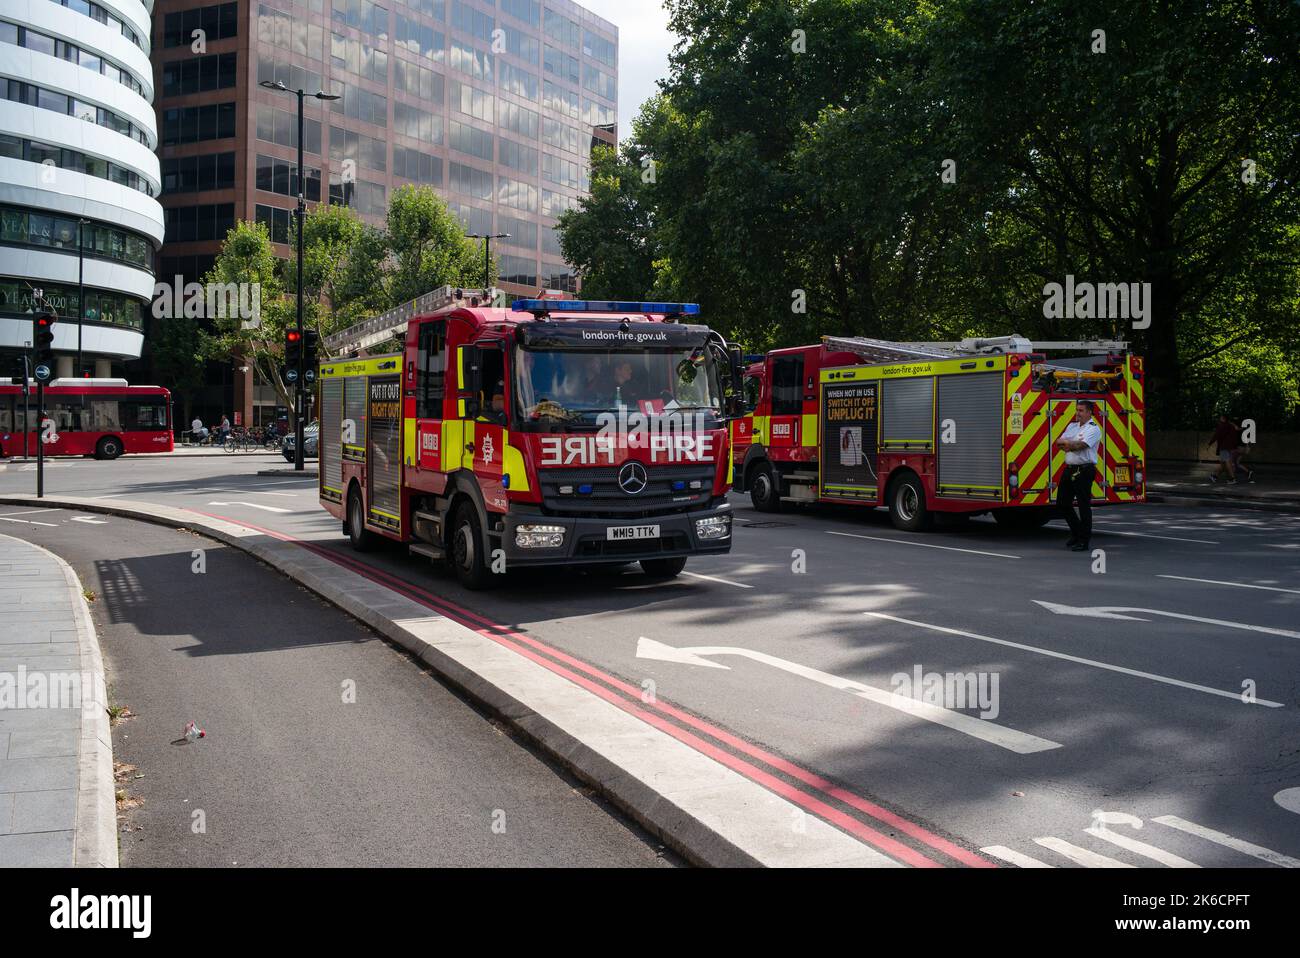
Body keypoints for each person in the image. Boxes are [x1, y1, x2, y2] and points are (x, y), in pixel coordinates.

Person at [1056, 400, 1102, 552]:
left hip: (1084, 470)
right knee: (1062, 503)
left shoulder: (1093, 429)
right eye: (1077, 410)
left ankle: (1084, 541)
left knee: (1083, 506)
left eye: (1081, 411)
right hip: (1069, 469)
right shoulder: (1072, 426)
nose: (1078, 413)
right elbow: (1059, 442)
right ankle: (1076, 533)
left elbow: (1081, 446)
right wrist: (1070, 444)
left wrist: (1069, 444)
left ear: (1089, 412)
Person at [1207, 414, 1242, 484]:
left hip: (1224, 446)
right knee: (1223, 464)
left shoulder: (1222, 426)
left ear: (1223, 419)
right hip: (1230, 447)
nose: (1219, 419)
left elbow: (1216, 435)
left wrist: (1210, 444)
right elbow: (1236, 433)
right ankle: (1214, 476)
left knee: (1227, 462)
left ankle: (1232, 479)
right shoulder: (1231, 425)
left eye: (1221, 418)